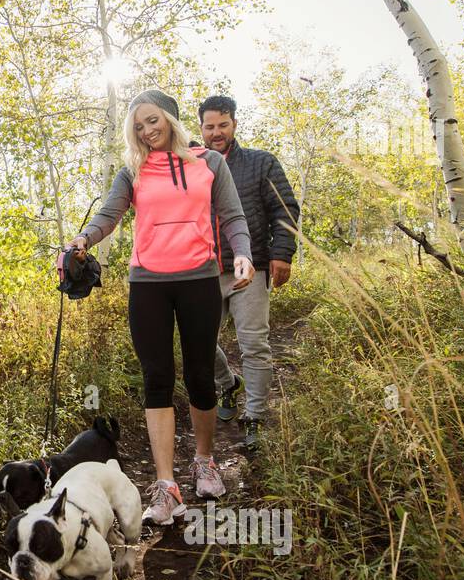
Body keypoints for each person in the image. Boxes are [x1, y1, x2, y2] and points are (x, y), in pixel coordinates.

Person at [70, 89, 253, 525]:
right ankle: (167, 485)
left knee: (199, 375)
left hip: (200, 280)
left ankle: (205, 462)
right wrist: (82, 240)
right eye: (138, 126)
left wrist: (242, 252)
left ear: (170, 118)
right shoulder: (132, 170)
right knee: (157, 379)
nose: (148, 131)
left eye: (153, 121)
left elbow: (233, 216)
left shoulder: (209, 162)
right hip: (148, 284)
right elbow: (109, 215)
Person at [198, 95, 300, 451]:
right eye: (209, 127)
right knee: (200, 343)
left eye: (223, 125)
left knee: (254, 344)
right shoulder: (193, 165)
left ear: (235, 125)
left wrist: (282, 253)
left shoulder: (260, 163)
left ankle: (254, 416)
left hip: (249, 268)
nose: (216, 133)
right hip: (203, 270)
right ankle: (228, 384)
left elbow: (285, 208)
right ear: (201, 128)